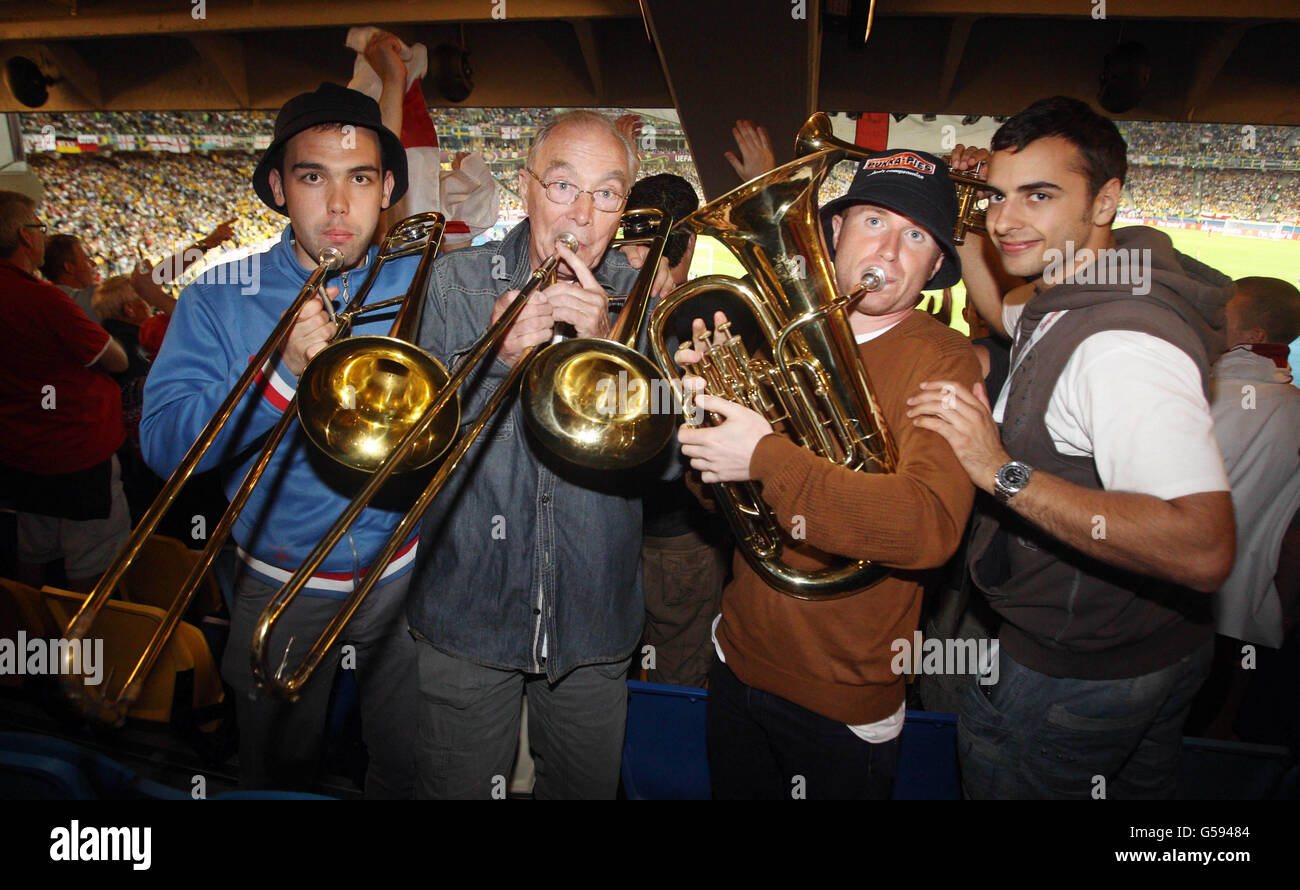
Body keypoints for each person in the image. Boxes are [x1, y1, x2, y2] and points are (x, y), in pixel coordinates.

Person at [909, 96, 1236, 799]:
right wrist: (966, 221)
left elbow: (1203, 547)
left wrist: (998, 470)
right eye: (996, 196)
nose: (1005, 219)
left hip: (1076, 678)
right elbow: (1006, 314)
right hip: (1154, 648)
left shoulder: (1121, 346)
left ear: (1105, 200)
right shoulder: (1080, 288)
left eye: (1039, 195)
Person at [141, 83, 420, 798]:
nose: (337, 205)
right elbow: (164, 447)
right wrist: (280, 374)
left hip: (406, 574)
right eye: (311, 176)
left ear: (386, 187)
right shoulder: (216, 294)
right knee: (278, 772)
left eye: (359, 178)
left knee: (407, 761)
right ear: (277, 186)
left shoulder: (419, 278)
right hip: (282, 584)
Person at [676, 148, 982, 799]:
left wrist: (763, 456)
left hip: (844, 706)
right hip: (735, 660)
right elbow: (721, 506)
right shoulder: (772, 337)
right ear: (835, 232)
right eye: (874, 220)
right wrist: (707, 427)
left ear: (935, 266)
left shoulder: (947, 362)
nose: (891, 252)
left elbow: (929, 527)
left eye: (916, 236)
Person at [408, 109, 671, 800]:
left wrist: (617, 357)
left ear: (625, 205)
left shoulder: (648, 304)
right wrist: (489, 363)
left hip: (593, 624)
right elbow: (402, 451)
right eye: (562, 186)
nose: (582, 215)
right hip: (465, 613)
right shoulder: (451, 283)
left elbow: (670, 468)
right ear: (525, 189)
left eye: (607, 194)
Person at [0, 190, 130, 594]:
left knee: (34, 553)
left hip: (19, 451)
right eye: (38, 226)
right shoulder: (45, 300)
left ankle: (30, 636)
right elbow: (116, 359)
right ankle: (83, 651)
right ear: (25, 235)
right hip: (76, 452)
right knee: (89, 565)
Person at [1190, 277, 1300, 738]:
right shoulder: (1291, 405)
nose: (1209, 319)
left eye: (1223, 314)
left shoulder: (1201, 393)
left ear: (1253, 336)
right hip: (1247, 622)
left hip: (1171, 612)